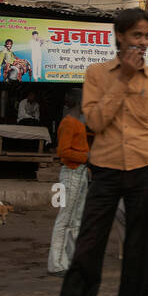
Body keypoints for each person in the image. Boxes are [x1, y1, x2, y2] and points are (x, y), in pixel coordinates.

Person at [20, 7, 148, 296]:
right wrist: (122, 80)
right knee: (85, 258)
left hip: (143, 174)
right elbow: (93, 121)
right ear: (120, 36)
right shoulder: (96, 75)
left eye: (146, 36)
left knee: (138, 262)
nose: (142, 43)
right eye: (136, 35)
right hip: (104, 175)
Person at [48, 89, 90, 275]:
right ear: (79, 103)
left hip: (79, 173)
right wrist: (86, 156)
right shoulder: (68, 123)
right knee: (65, 219)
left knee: (76, 220)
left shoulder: (77, 123)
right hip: (71, 173)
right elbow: (63, 152)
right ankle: (56, 264)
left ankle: (72, 261)